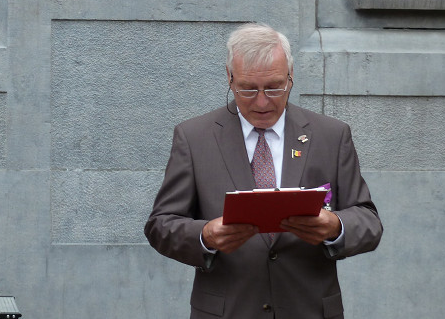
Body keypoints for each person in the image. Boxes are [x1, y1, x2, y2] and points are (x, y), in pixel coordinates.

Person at [145, 22, 382, 319]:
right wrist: (204, 236)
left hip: (309, 309)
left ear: (291, 76)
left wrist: (336, 227)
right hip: (228, 311)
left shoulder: (330, 135)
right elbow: (160, 225)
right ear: (230, 79)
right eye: (247, 88)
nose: (261, 102)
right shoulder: (194, 138)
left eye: (274, 87)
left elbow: (369, 223)